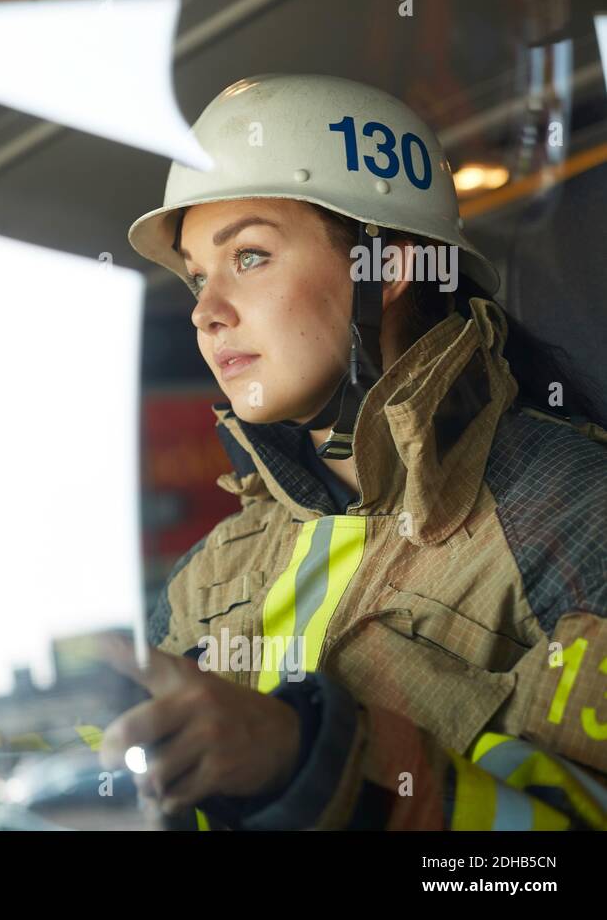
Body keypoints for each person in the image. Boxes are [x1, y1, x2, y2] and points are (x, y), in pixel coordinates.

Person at [100, 74, 607, 830]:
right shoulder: (210, 576)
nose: (205, 311)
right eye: (199, 275)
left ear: (389, 269)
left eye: (250, 257)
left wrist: (309, 761)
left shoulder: (574, 520)